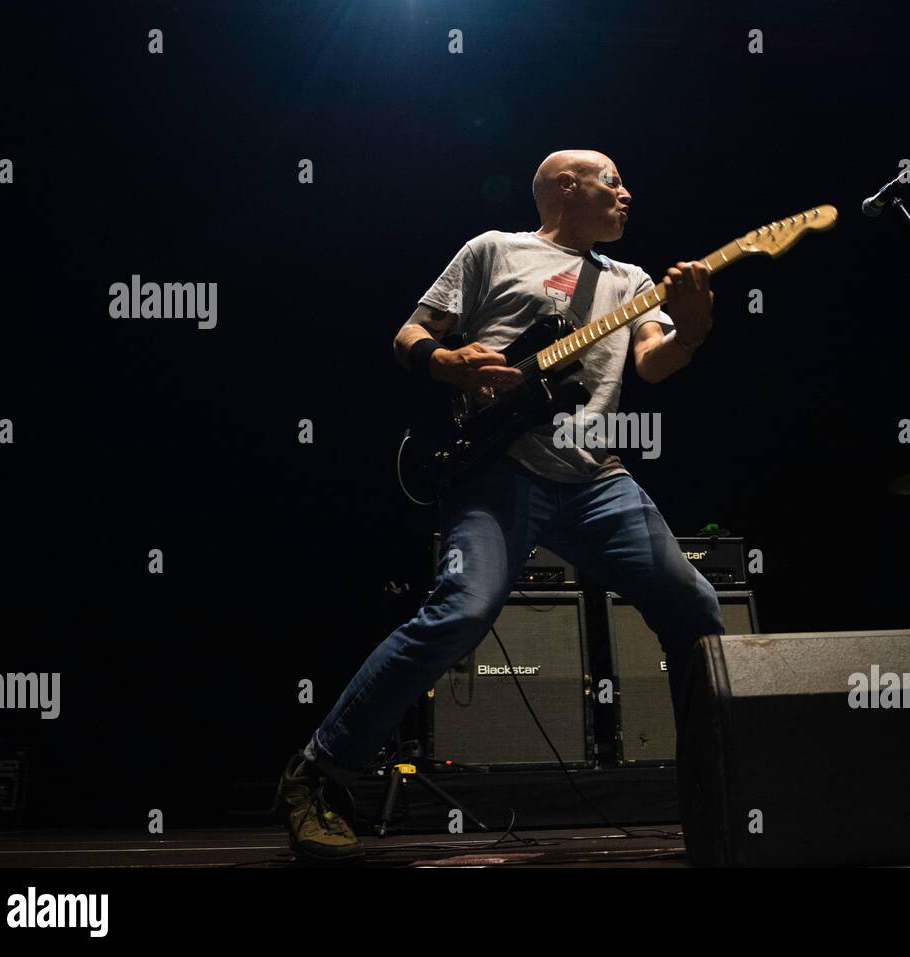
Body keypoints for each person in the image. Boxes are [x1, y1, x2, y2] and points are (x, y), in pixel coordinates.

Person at [275, 149, 724, 863]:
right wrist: (443, 360)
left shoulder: (631, 280)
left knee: (697, 608)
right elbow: (410, 334)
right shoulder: (494, 250)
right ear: (565, 188)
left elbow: (653, 361)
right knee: (462, 607)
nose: (627, 192)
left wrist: (693, 326)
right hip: (498, 471)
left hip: (597, 480)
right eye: (613, 179)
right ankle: (320, 771)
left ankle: (719, 787)